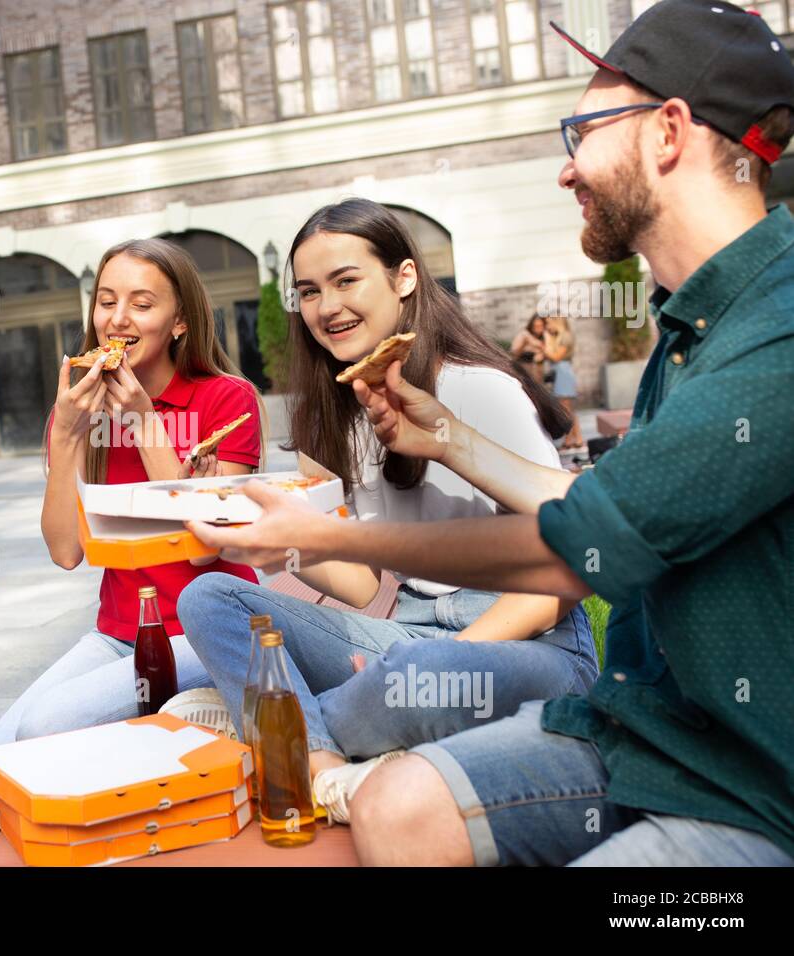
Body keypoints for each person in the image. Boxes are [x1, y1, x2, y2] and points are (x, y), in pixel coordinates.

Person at [185, 0, 794, 866]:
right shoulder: (692, 329)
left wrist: (314, 533)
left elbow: (573, 557)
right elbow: (600, 505)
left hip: (751, 792)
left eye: (582, 130)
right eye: (306, 291)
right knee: (396, 804)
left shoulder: (774, 327)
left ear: (667, 131)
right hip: (642, 734)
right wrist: (452, 444)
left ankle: (281, 724)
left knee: (408, 690)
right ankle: (311, 745)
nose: (567, 169)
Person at [175, 199, 597, 820]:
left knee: (417, 675)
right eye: (310, 291)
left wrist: (408, 668)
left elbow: (550, 594)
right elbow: (361, 582)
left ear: (404, 279)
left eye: (347, 280)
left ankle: (276, 730)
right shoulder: (333, 414)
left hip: (529, 647)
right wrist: (249, 524)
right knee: (208, 599)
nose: (327, 307)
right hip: (404, 633)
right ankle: (325, 772)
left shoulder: (474, 388)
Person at [0, 238, 264, 745]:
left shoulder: (228, 399)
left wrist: (143, 422)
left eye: (142, 304)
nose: (118, 319)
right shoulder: (77, 411)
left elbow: (208, 551)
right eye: (107, 301)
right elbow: (66, 552)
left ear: (180, 322)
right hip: (118, 632)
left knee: (45, 726)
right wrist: (67, 433)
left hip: (214, 628)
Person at [543, 313, 585, 448]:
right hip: (560, 373)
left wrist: (546, 341)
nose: (547, 326)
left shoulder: (565, 336)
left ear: (557, 322)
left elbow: (555, 357)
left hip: (563, 373)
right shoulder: (558, 337)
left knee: (566, 409)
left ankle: (574, 438)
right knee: (566, 409)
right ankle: (573, 438)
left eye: (549, 323)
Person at [510, 315, 548, 385]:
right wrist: (526, 343)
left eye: (541, 326)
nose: (538, 329)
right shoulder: (523, 335)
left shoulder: (545, 337)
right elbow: (513, 353)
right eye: (536, 326)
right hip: (522, 372)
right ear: (531, 325)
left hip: (537, 374)